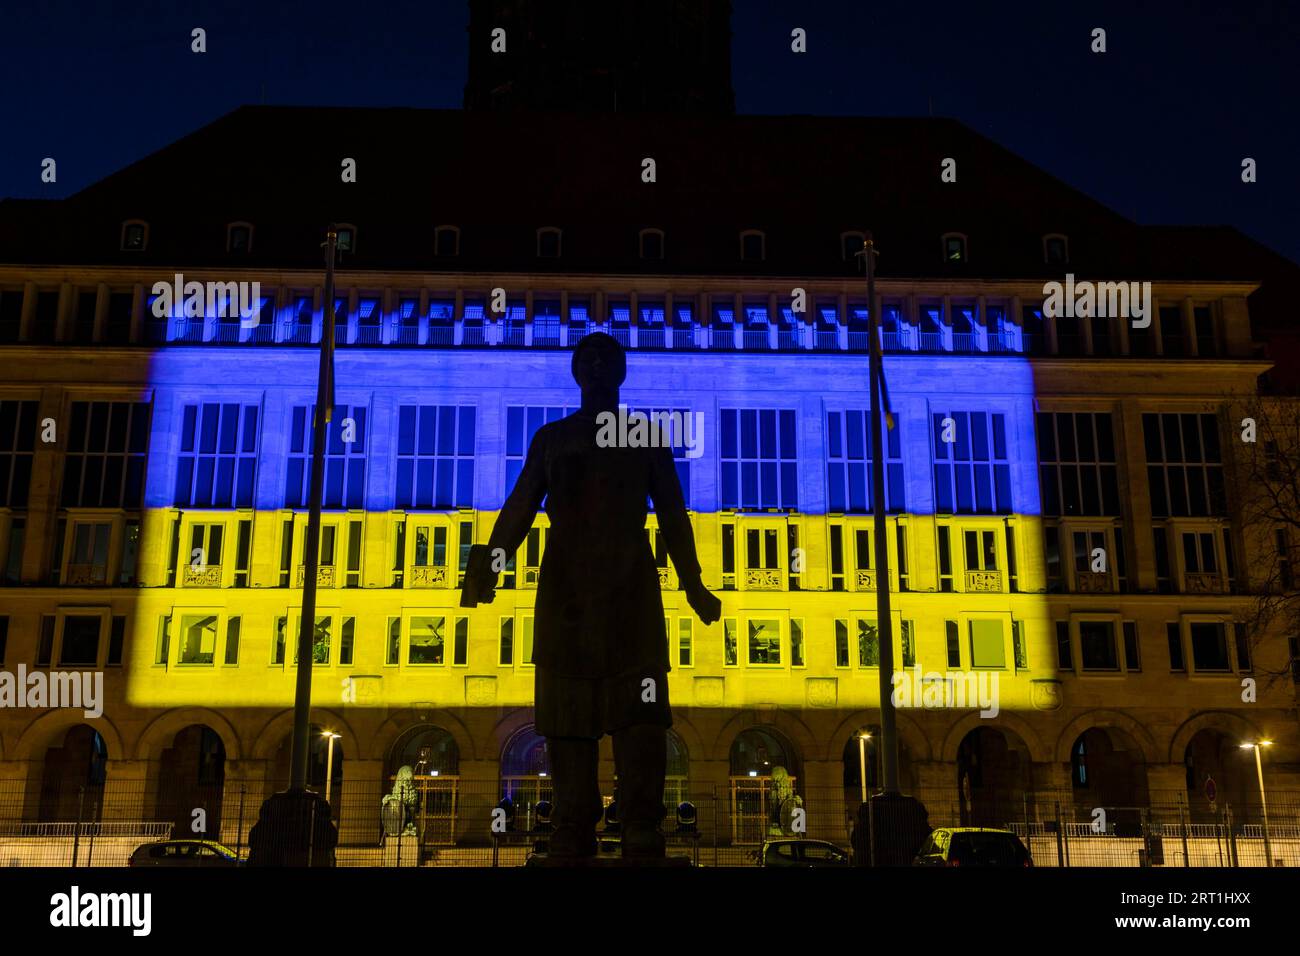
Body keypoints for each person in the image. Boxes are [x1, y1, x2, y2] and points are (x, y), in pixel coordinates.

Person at [462, 333, 721, 858]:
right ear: (577, 372)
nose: (599, 365)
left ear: (621, 373)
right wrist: (489, 566)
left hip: (631, 591)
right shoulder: (552, 439)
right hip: (567, 596)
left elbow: (673, 514)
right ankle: (572, 827)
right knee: (566, 719)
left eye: (609, 359)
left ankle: (642, 825)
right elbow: (519, 508)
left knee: (643, 717)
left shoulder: (646, 437)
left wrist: (693, 583)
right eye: (589, 359)